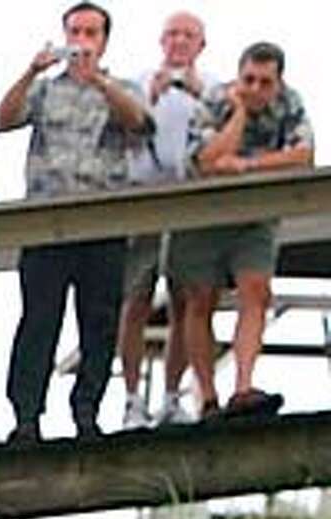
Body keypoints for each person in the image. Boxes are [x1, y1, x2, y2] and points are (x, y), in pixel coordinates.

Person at [0, 2, 150, 443]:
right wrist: (30, 71)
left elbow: (140, 123)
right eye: (75, 31)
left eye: (90, 33)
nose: (81, 41)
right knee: (39, 320)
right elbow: (1, 121)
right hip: (46, 222)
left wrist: (97, 79)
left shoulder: (122, 86)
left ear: (104, 40)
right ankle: (26, 416)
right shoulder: (43, 90)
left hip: (101, 223)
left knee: (98, 321)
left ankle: (87, 412)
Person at [173, 41, 314, 420]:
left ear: (278, 83)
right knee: (200, 299)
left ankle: (243, 387)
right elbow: (205, 160)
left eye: (264, 82)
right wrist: (238, 114)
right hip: (204, 215)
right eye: (248, 79)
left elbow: (303, 155)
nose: (255, 89)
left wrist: (249, 166)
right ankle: (206, 397)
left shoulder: (290, 104)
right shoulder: (215, 100)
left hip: (255, 216)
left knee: (257, 292)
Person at [118, 12, 213, 429]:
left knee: (185, 301)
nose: (179, 42)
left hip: (190, 201)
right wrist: (150, 100)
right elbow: (123, 133)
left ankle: (174, 396)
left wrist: (198, 95)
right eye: (172, 34)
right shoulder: (136, 83)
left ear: (200, 45)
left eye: (188, 36)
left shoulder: (214, 88)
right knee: (134, 299)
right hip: (142, 199)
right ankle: (132, 397)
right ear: (161, 41)